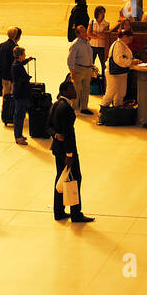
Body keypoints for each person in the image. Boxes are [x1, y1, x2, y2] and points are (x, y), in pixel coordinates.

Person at [50, 79, 93, 222]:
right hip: (67, 152)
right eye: (71, 89)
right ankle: (76, 213)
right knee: (75, 179)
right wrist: (70, 154)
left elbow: (48, 126)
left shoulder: (55, 105)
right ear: (64, 92)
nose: (75, 91)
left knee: (60, 179)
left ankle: (58, 211)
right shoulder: (67, 109)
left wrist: (55, 135)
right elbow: (68, 134)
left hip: (57, 149)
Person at [104, 26, 136, 109]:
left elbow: (125, 58)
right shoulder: (118, 45)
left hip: (122, 72)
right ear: (125, 37)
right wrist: (131, 62)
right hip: (113, 73)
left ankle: (117, 110)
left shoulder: (123, 44)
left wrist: (132, 61)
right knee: (111, 92)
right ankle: (102, 111)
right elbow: (119, 60)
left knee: (121, 93)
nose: (131, 39)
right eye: (130, 37)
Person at [67, 23, 95, 114]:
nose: (85, 33)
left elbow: (89, 55)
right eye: (82, 32)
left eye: (85, 31)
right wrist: (72, 72)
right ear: (78, 34)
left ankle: (84, 107)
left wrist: (92, 66)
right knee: (76, 90)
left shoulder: (87, 42)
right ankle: (73, 108)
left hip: (87, 69)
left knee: (86, 89)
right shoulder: (75, 44)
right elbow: (70, 59)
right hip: (78, 69)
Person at [10, 46, 35, 144]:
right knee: (19, 115)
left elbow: (21, 64)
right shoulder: (17, 66)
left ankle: (19, 134)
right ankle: (18, 137)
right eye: (24, 54)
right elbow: (21, 78)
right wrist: (27, 77)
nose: (25, 55)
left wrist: (27, 60)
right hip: (20, 93)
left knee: (20, 114)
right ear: (20, 55)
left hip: (20, 93)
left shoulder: (17, 63)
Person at [0, 26, 20, 98]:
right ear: (15, 35)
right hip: (11, 73)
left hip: (3, 72)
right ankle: (10, 107)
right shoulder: (15, 46)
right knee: (12, 91)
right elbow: (15, 60)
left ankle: (5, 106)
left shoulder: (2, 45)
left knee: (5, 90)